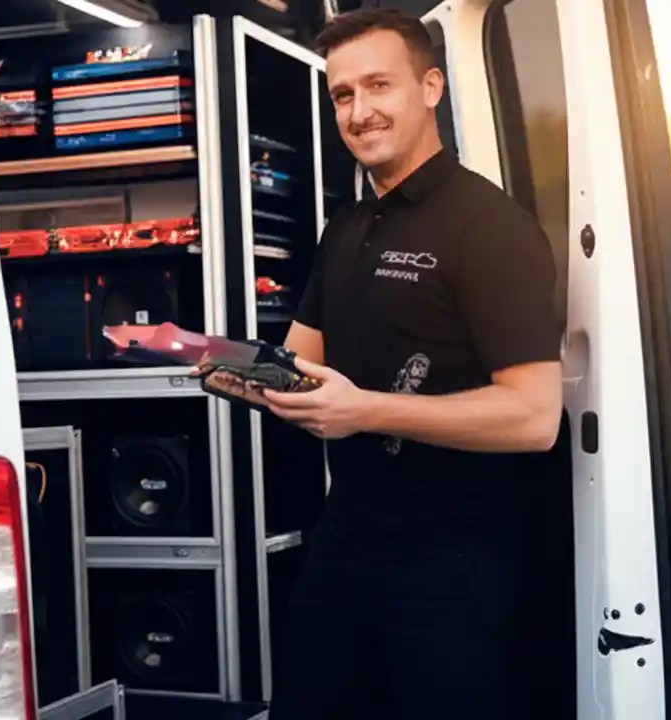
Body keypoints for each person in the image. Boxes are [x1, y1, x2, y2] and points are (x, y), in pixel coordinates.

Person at [261, 8, 564, 720]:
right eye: (342, 94)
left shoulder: (490, 226)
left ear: (430, 88)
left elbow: (534, 416)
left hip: (452, 566)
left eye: (379, 86)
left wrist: (365, 410)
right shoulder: (347, 227)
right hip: (347, 542)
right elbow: (301, 364)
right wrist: (212, 360)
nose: (359, 112)